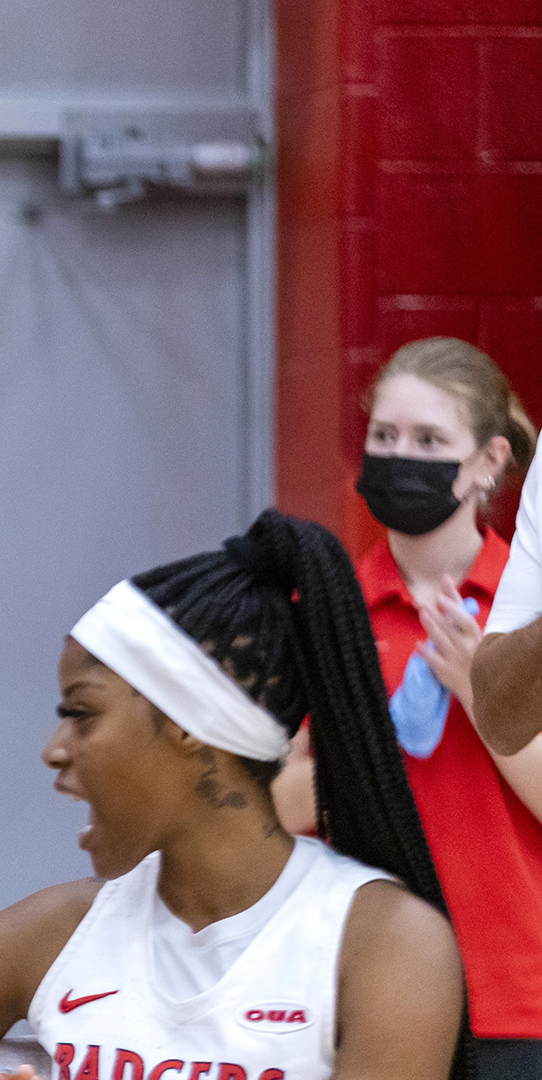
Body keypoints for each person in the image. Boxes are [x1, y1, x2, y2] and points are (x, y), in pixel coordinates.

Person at [0, 510, 470, 1080]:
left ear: (188, 728)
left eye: (83, 713)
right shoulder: (51, 934)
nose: (54, 748)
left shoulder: (383, 943)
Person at [272, 338, 542, 1078]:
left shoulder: (526, 619)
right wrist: (362, 733)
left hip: (513, 994)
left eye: (429, 441)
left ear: (488, 462)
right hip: (353, 986)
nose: (400, 457)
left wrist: (480, 692)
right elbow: (270, 806)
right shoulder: (323, 612)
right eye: (384, 438)